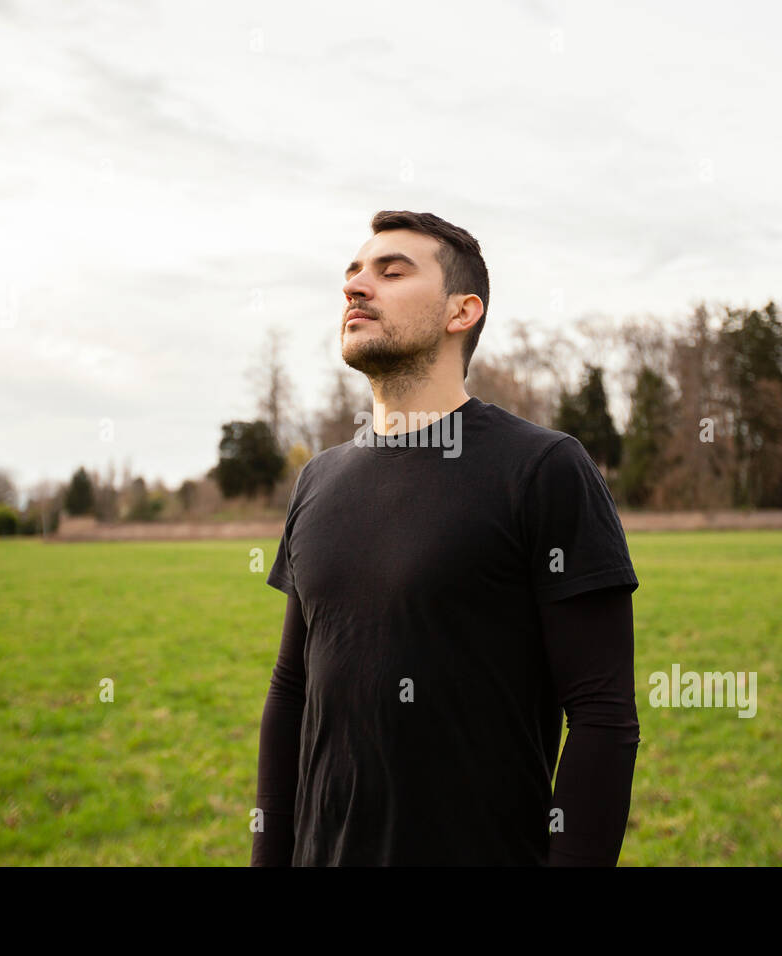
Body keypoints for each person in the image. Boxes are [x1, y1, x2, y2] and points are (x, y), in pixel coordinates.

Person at [251, 210, 640, 866]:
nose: (355, 286)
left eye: (391, 272)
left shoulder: (543, 469)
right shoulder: (318, 479)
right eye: (354, 272)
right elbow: (291, 690)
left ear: (462, 311)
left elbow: (602, 716)